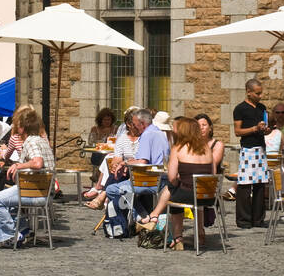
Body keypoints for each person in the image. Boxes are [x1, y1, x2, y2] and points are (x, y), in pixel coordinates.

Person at [142, 116, 221, 250]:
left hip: (189, 195)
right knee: (174, 190)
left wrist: (180, 179)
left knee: (172, 190)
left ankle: (177, 237)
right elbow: (213, 174)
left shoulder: (178, 148)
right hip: (208, 197)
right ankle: (156, 217)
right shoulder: (208, 149)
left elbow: (172, 177)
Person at [0, 107, 56, 248]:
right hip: (46, 192)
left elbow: (38, 162)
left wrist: (19, 166)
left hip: (34, 193)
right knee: (8, 200)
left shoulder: (31, 141)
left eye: (17, 124)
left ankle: (12, 235)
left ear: (22, 128)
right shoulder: (42, 140)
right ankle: (24, 230)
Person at [102, 107, 171, 233]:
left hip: (150, 181)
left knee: (111, 189)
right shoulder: (161, 134)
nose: (134, 127)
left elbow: (142, 162)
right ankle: (144, 216)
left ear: (142, 124)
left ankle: (143, 216)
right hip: (163, 179)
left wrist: (125, 163)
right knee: (122, 187)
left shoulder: (146, 135)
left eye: (135, 124)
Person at [231, 78, 270, 229]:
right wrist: (254, 129)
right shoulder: (240, 109)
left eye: (261, 93)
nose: (260, 96)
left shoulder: (262, 108)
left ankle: (258, 219)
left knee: (260, 185)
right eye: (257, 93)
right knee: (245, 185)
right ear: (248, 92)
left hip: (260, 148)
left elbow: (266, 126)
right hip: (248, 149)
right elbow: (237, 131)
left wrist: (266, 129)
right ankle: (244, 220)